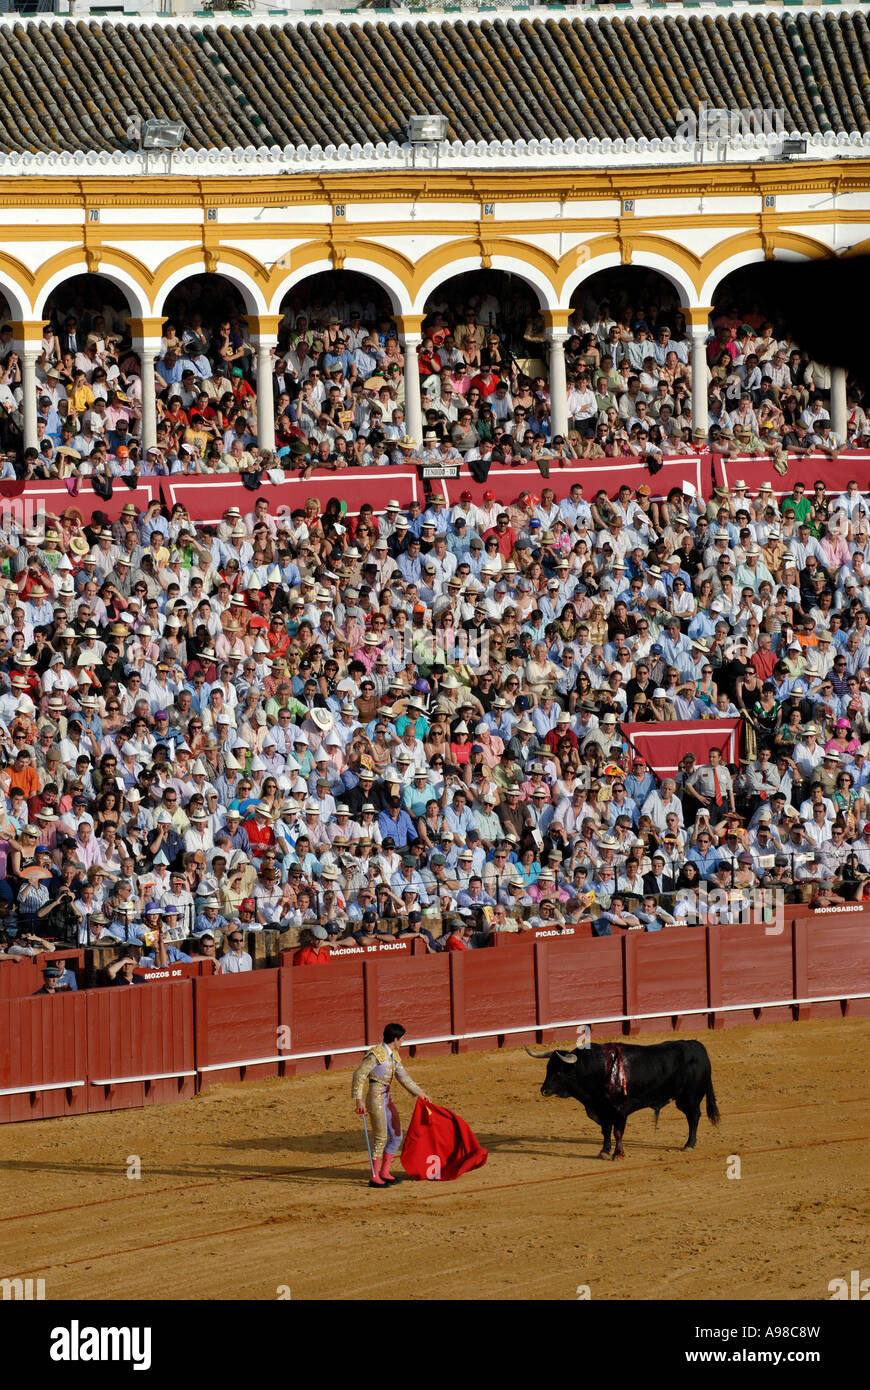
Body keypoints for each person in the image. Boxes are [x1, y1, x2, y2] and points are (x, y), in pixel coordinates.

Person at [351, 1021, 430, 1188]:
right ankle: (374, 1177)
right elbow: (359, 1074)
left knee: (396, 1135)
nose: (403, 1042)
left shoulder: (394, 1056)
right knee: (381, 1137)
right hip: (375, 1098)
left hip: (386, 1098)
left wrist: (420, 1093)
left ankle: (384, 1172)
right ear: (395, 1039)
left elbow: (404, 1077)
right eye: (401, 1039)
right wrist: (358, 1099)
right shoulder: (376, 1054)